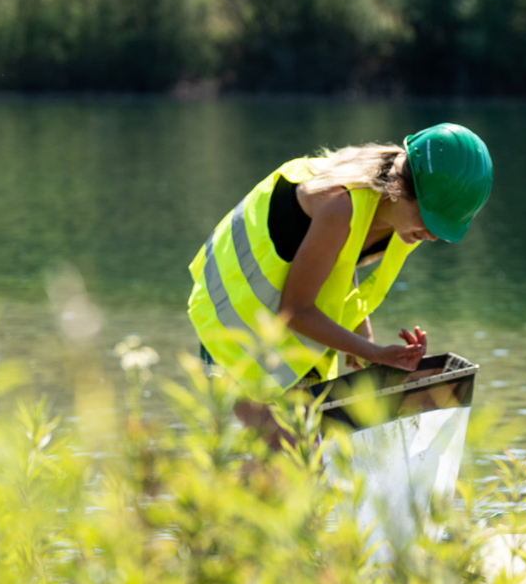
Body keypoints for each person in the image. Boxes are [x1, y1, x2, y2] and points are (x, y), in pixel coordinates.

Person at [187, 123, 493, 440]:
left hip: (280, 337)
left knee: (309, 458)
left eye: (442, 229)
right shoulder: (339, 204)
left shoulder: (394, 213)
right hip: (231, 332)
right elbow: (296, 311)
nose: (431, 235)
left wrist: (369, 347)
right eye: (430, 219)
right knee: (294, 460)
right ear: (401, 187)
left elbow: (341, 262)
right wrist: (374, 353)